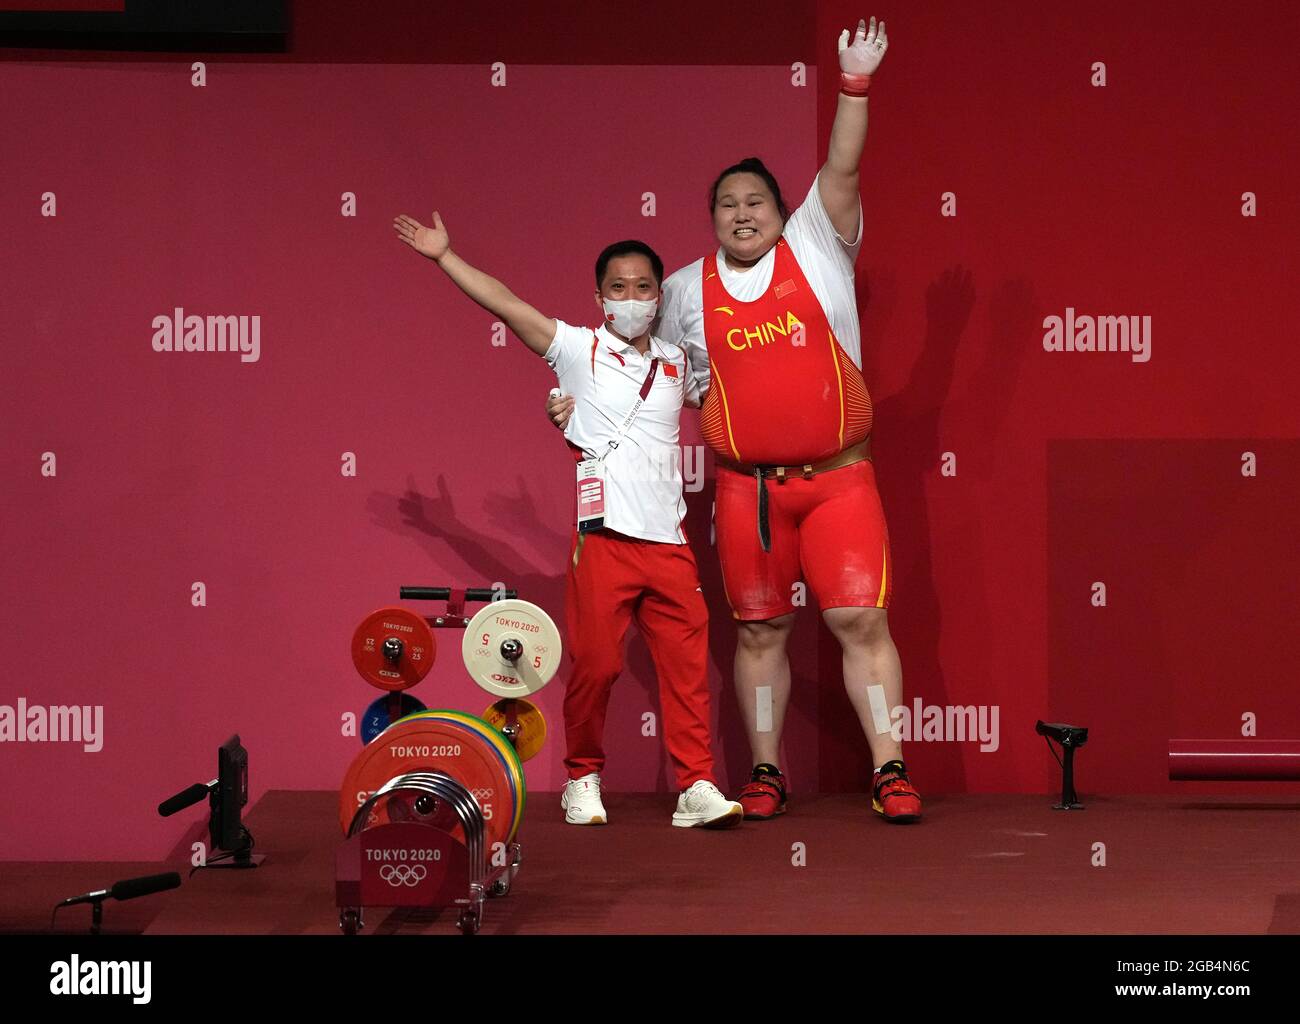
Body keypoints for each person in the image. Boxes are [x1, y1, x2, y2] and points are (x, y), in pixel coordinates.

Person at [548, 17, 921, 823]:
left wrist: (854, 82)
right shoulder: (680, 290)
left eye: (756, 201)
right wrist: (580, 409)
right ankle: (764, 771)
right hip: (746, 492)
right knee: (758, 635)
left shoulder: (821, 244)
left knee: (861, 618)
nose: (742, 213)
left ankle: (889, 768)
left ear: (786, 212)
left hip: (838, 483)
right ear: (710, 217)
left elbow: (844, 166)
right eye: (726, 204)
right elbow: (650, 372)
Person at [393, 209, 743, 829]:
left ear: (659, 297)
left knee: (689, 674)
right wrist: (446, 257)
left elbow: (733, 391)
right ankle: (583, 776)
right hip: (605, 540)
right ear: (599, 297)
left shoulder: (677, 362)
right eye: (618, 288)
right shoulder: (579, 349)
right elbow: (507, 305)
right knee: (597, 667)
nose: (631, 298)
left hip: (670, 543)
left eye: (643, 288)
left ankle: (697, 786)